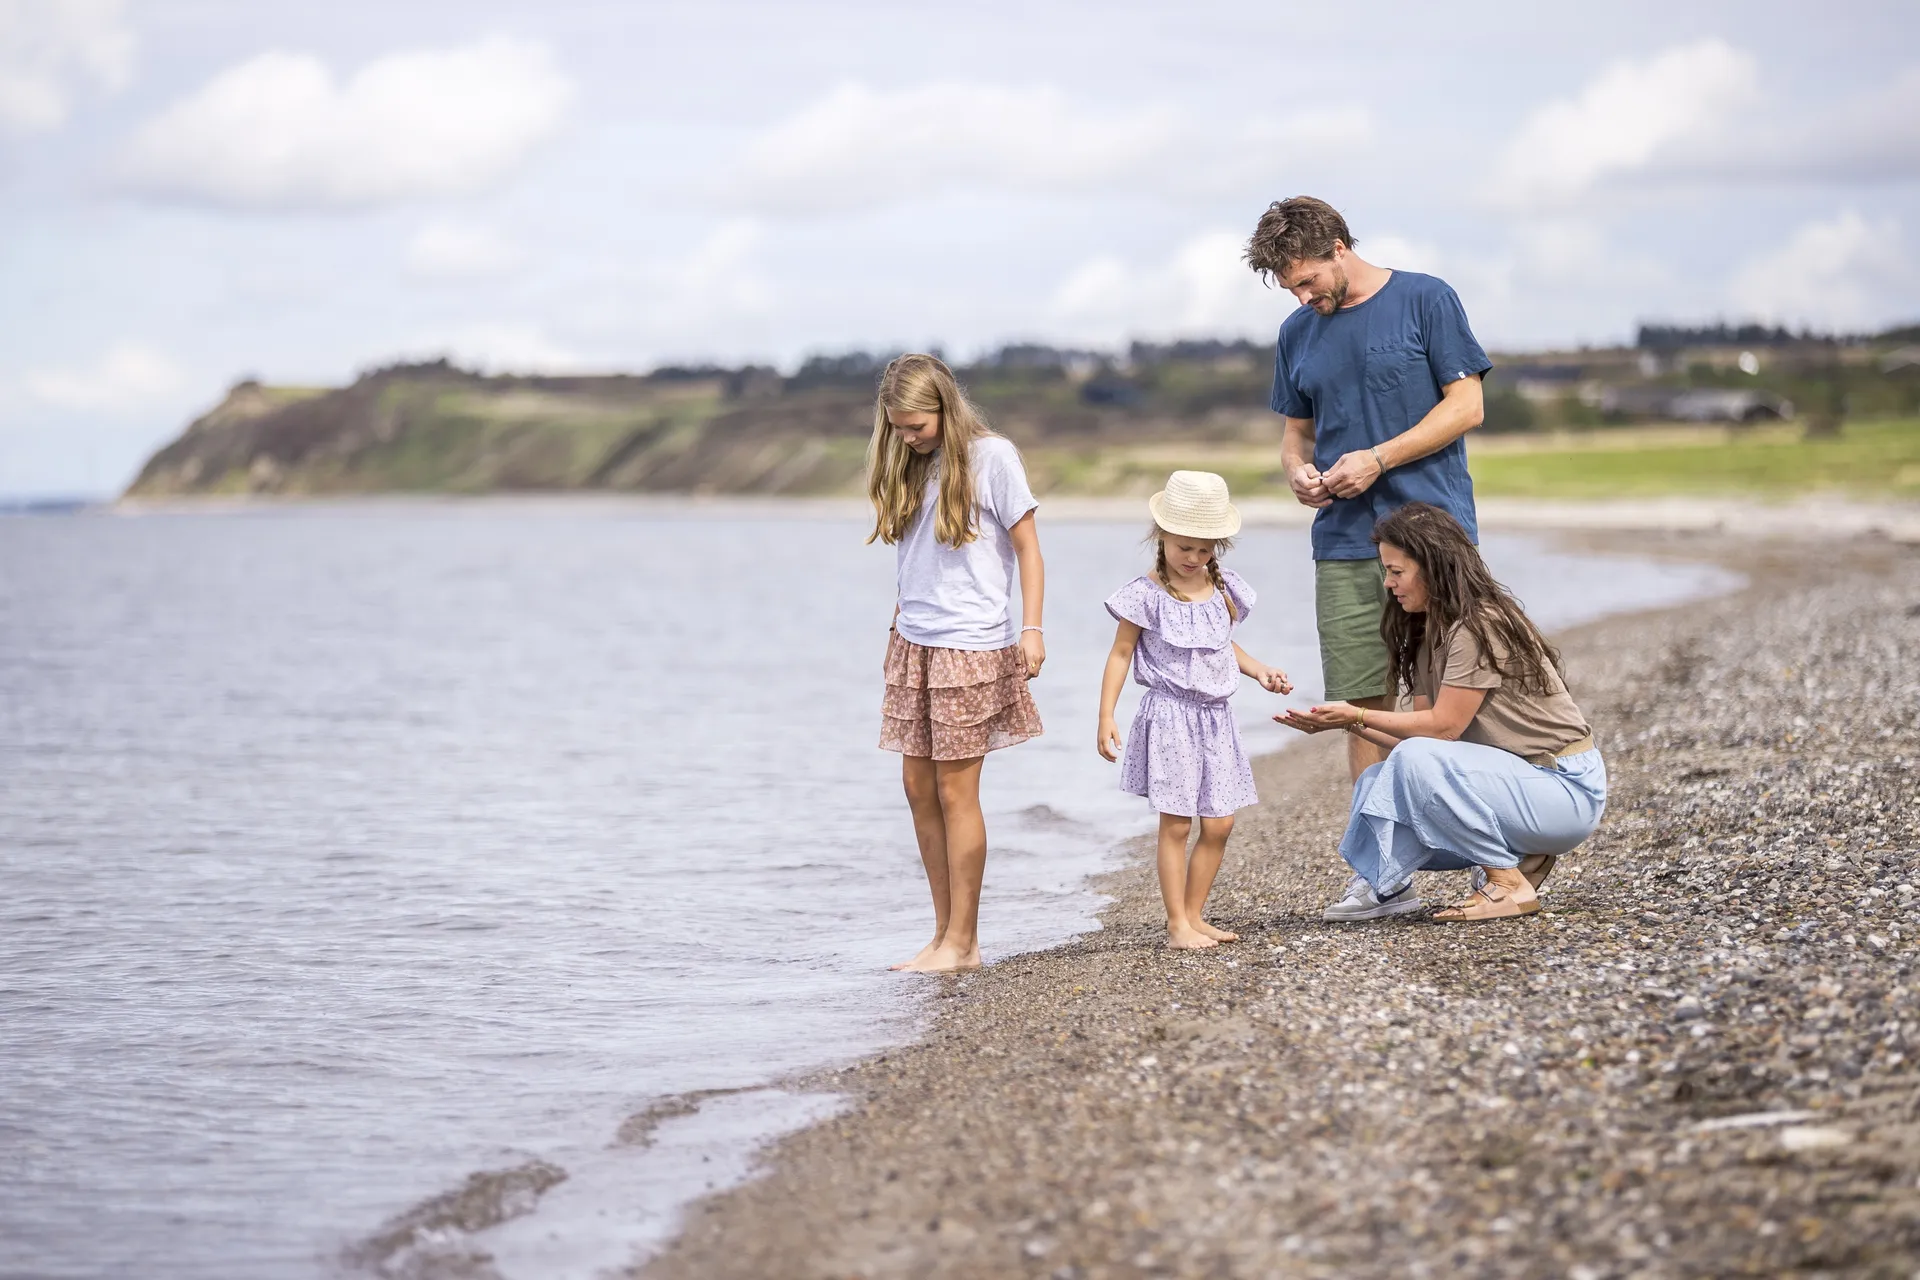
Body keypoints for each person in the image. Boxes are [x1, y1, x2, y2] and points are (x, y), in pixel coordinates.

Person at [1245, 196, 1492, 798]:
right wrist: (1297, 471)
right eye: (1289, 288)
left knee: (1442, 696)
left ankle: (1459, 838)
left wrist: (1378, 459)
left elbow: (1467, 406)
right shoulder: (1296, 332)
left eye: (1307, 280)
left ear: (1339, 248)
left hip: (1435, 535)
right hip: (1342, 543)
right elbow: (1295, 436)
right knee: (1360, 704)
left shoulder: (1427, 299)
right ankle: (1382, 869)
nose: (1302, 297)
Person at [1280, 502, 1606, 922]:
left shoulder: (1480, 624)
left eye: (1397, 572)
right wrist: (1344, 724)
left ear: (1433, 567)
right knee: (1378, 779)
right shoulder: (1426, 632)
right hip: (1513, 785)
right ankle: (1389, 885)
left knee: (1414, 760)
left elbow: (1443, 730)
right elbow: (1418, 741)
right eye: (1387, 571)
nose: (1387, 583)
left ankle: (1508, 882)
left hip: (1563, 788)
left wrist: (1358, 717)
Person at [869, 354, 1046, 973]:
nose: (909, 437)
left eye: (918, 426)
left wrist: (1031, 628)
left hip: (971, 642)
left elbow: (1028, 549)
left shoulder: (993, 457)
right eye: (898, 427)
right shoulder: (906, 459)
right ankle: (942, 933)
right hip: (912, 639)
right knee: (917, 788)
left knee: (954, 790)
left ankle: (965, 941)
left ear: (946, 407)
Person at [1097, 471, 1292, 949]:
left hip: (1216, 719)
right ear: (1160, 536)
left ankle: (1194, 914)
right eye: (1185, 547)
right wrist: (1106, 716)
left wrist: (1259, 669)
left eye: (1205, 549)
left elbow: (1221, 646)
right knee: (1177, 821)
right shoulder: (1144, 597)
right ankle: (1176, 925)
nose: (1194, 558)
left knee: (1221, 822)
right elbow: (1120, 655)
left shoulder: (1222, 587)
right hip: (1169, 717)